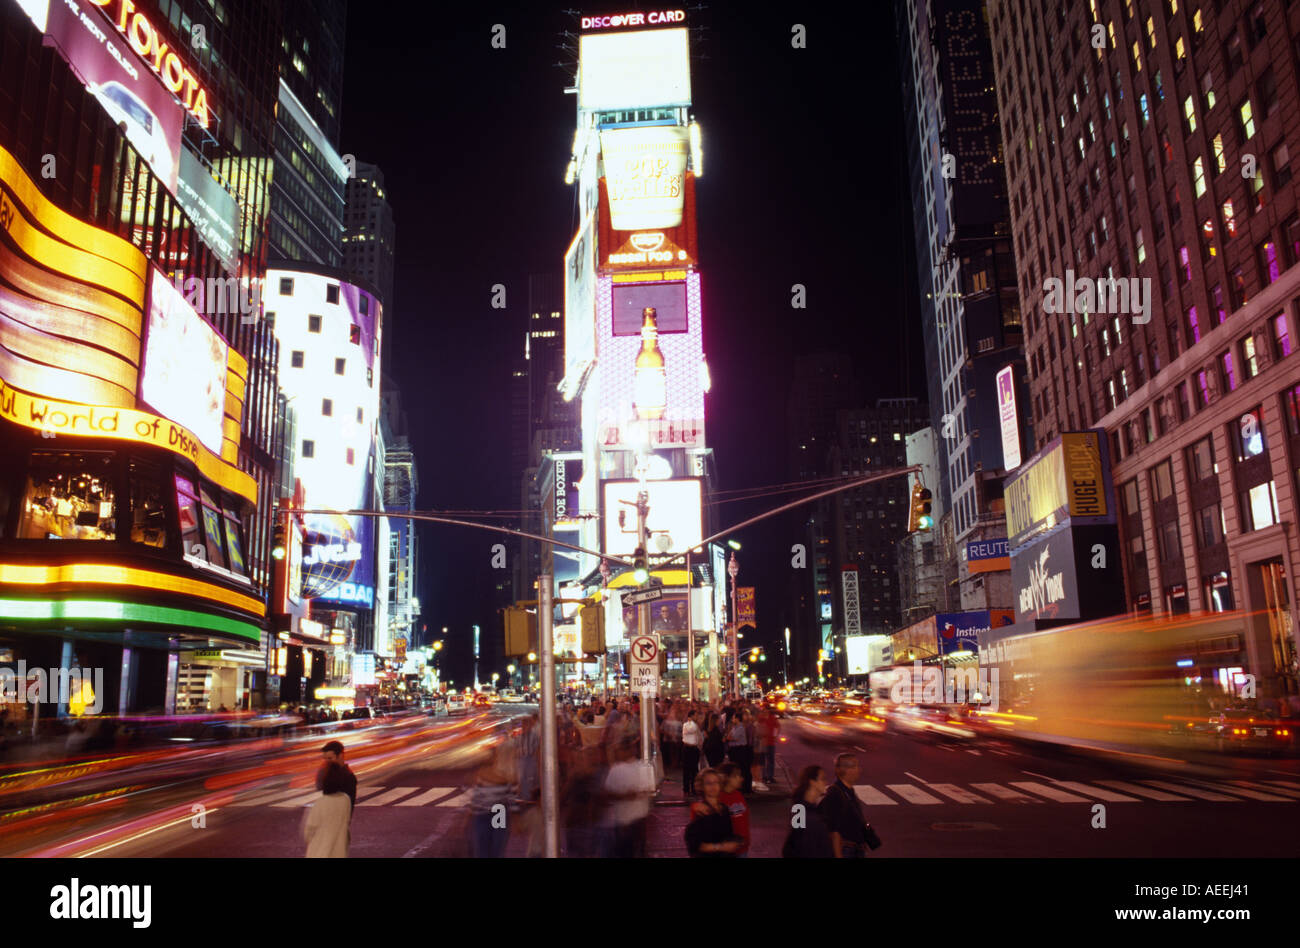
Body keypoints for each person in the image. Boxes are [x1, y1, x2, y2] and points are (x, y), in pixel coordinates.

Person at [604, 739, 654, 857]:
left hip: (633, 819)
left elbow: (648, 790)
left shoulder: (641, 767)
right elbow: (608, 793)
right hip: (625, 820)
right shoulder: (616, 769)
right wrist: (625, 795)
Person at [818, 753, 872, 858]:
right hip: (847, 850)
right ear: (848, 770)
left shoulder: (848, 790)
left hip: (855, 849)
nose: (859, 770)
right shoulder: (835, 793)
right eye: (856, 766)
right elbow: (834, 831)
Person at [469, 745, 515, 858]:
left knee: (491, 849)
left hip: (492, 813)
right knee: (489, 850)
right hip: (490, 813)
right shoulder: (480, 775)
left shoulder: (480, 776)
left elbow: (511, 796)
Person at [684, 769, 742, 857]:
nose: (713, 786)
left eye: (716, 782)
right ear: (701, 787)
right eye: (708, 783)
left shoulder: (724, 808)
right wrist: (721, 847)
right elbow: (695, 844)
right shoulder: (701, 810)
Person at [303, 760, 353, 857]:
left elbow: (309, 831)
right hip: (339, 852)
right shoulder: (345, 800)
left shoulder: (320, 803)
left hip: (319, 852)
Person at [783, 765, 834, 858]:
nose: (826, 782)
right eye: (822, 779)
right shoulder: (805, 812)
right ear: (813, 782)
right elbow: (801, 844)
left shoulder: (799, 807)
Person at [717, 763, 751, 856]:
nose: (741, 778)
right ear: (727, 778)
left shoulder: (738, 795)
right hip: (729, 852)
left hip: (743, 848)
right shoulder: (719, 798)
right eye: (737, 776)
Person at [318, 741, 357, 810]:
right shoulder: (326, 772)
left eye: (330, 758)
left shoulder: (348, 777)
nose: (327, 761)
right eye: (325, 758)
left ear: (340, 756)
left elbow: (347, 806)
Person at [725, 711, 753, 793]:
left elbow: (732, 737)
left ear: (737, 719)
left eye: (733, 718)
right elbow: (728, 736)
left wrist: (728, 737)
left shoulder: (740, 728)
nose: (732, 719)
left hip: (739, 750)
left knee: (742, 769)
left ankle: (745, 788)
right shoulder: (734, 727)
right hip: (734, 750)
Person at [757, 707, 780, 790]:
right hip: (763, 743)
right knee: (763, 761)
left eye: (766, 710)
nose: (765, 712)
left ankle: (770, 776)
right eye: (764, 710)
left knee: (771, 760)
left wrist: (775, 735)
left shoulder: (772, 718)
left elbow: (778, 726)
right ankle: (764, 776)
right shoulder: (760, 718)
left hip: (771, 742)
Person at [681, 710, 703, 795]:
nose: (697, 717)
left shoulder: (695, 725)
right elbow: (691, 730)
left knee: (694, 770)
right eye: (695, 715)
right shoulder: (687, 725)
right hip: (688, 748)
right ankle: (686, 789)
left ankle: (694, 788)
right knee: (687, 770)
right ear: (691, 716)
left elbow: (699, 737)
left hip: (694, 749)